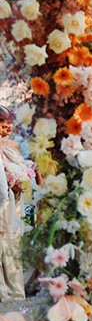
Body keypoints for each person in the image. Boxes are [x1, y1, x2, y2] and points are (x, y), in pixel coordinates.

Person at [0, 107, 27, 301]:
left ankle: (17, 291)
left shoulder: (13, 146)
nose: (8, 128)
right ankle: (5, 292)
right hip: (4, 202)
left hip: (17, 202)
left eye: (9, 124)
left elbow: (27, 171)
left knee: (14, 244)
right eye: (3, 124)